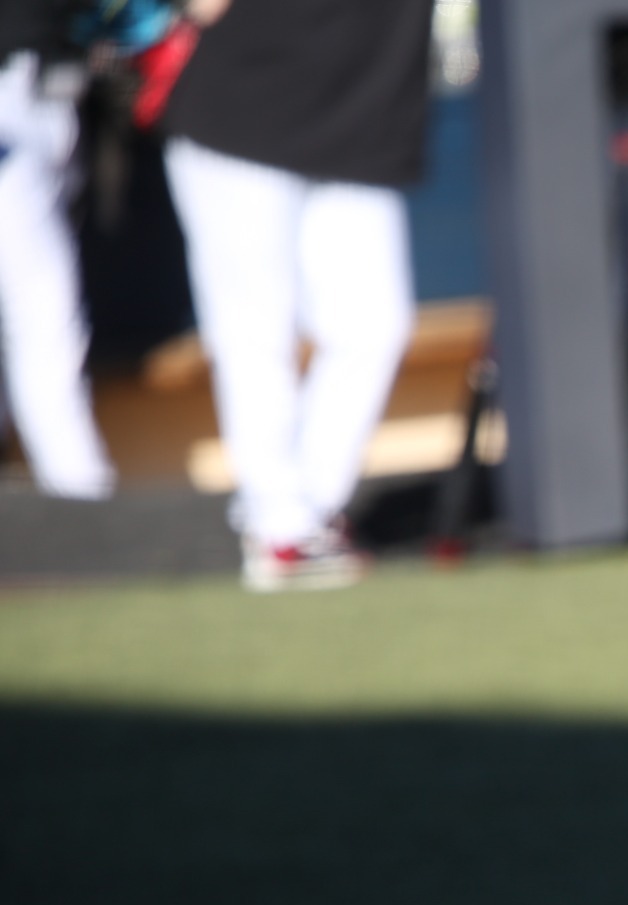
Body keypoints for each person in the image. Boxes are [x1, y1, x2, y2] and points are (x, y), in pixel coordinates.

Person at [159, 0, 428, 590]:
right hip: (240, 119)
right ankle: (280, 524)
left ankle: (304, 510)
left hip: (359, 131)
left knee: (374, 328)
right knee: (256, 333)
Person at [0, 2, 118, 499]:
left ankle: (76, 487)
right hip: (12, 97)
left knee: (41, 313)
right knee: (44, 311)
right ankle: (78, 487)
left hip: (48, 88)